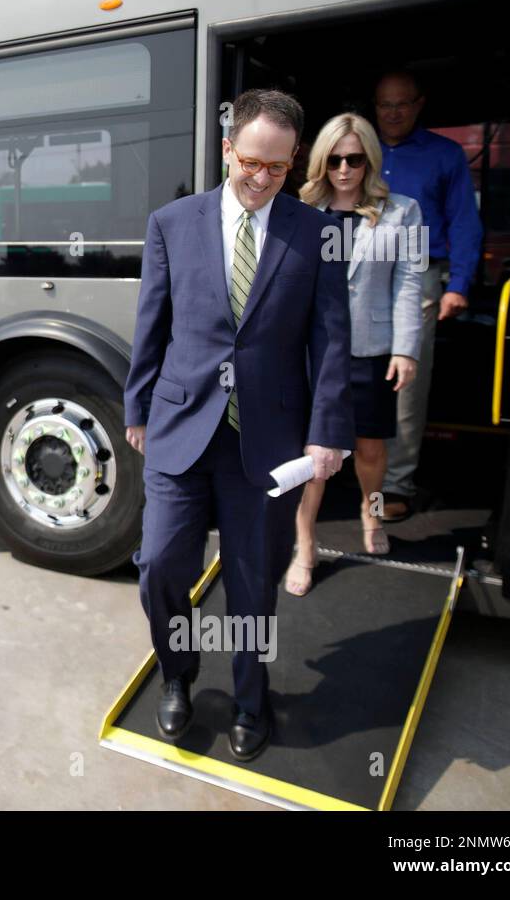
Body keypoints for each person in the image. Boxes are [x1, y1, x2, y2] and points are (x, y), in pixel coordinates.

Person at [123, 89, 354, 762]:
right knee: (161, 565)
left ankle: (252, 700)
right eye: (251, 160)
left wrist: (327, 429)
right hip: (179, 423)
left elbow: (331, 340)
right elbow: (153, 324)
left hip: (268, 440)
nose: (261, 177)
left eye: (278, 168)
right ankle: (178, 673)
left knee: (253, 580)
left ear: (293, 164)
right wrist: (138, 408)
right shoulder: (172, 222)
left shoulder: (317, 234)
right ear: (227, 149)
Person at [285, 113, 424, 596]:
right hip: (312, 352)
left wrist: (406, 348)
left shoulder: (403, 211)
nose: (344, 169)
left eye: (355, 159)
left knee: (369, 447)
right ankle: (304, 545)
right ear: (321, 162)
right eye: (335, 159)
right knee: (313, 453)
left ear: (370, 160)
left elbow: (410, 281)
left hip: (370, 348)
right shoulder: (299, 211)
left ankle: (372, 511)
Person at [372, 70, 484, 520]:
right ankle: (344, 467)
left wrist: (458, 285)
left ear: (419, 105)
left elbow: (463, 222)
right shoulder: (355, 152)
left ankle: (395, 484)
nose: (393, 112)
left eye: (402, 103)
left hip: (420, 279)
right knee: (348, 375)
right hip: (355, 276)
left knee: (405, 385)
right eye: (384, 104)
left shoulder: (446, 155)